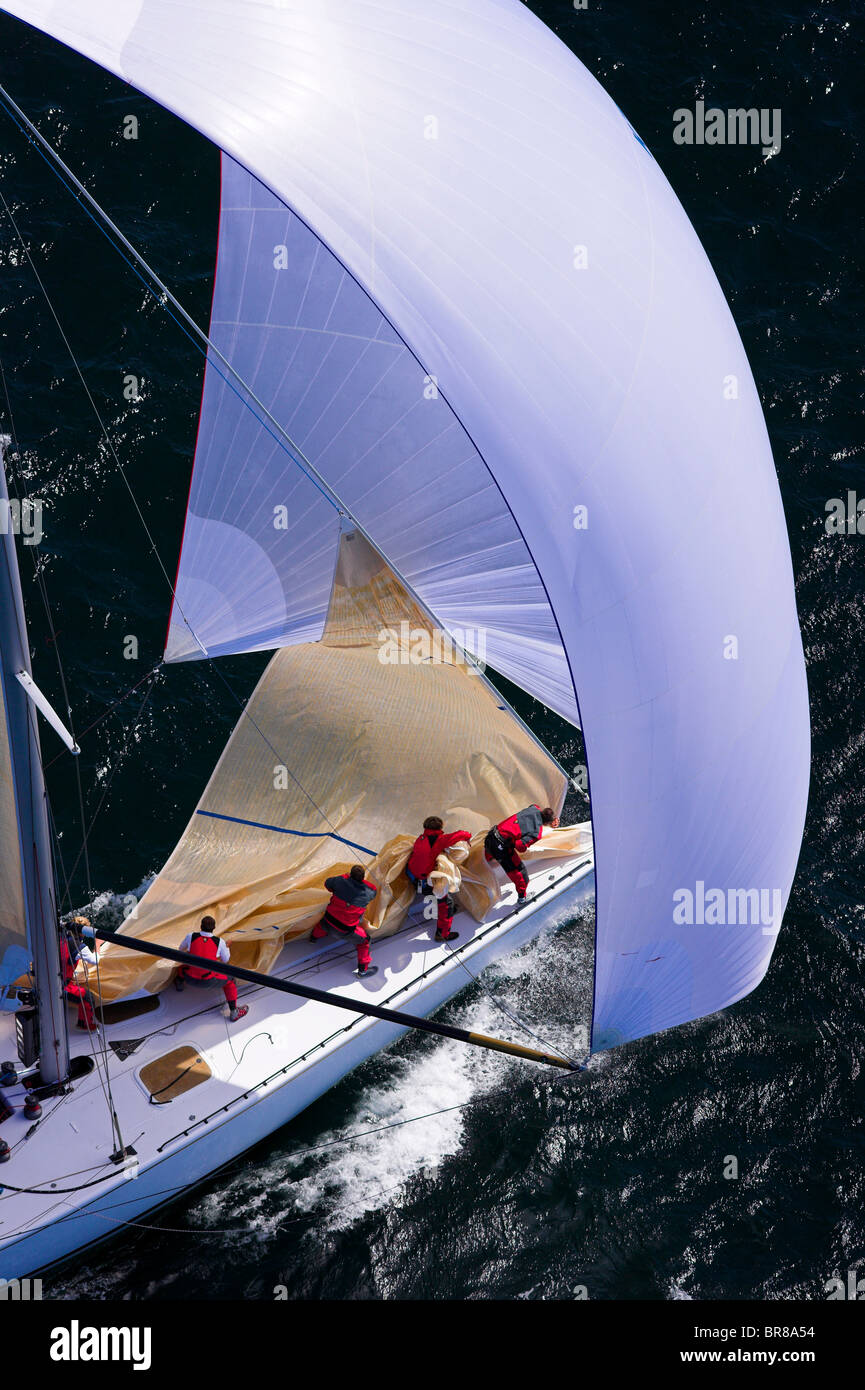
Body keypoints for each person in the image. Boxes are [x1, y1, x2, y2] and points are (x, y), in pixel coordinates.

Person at [406, 816, 472, 943]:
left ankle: (445, 910)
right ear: (440, 827)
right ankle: (442, 934)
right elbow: (460, 834)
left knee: (438, 892)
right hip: (424, 882)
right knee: (447, 903)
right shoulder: (439, 839)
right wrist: (468, 836)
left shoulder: (421, 838)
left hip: (413, 877)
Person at [175, 915, 249, 1022]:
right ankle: (234, 1012)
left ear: (200, 926)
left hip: (189, 977)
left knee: (182, 967)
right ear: (214, 928)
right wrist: (227, 947)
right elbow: (225, 960)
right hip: (207, 981)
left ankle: (179, 984)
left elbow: (181, 949)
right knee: (230, 980)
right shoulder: (220, 942)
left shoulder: (191, 936)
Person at [310, 866, 378, 976]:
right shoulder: (369, 891)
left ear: (350, 874)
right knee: (365, 941)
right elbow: (373, 891)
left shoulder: (340, 881)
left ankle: (313, 938)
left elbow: (327, 884)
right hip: (346, 931)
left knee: (322, 926)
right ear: (363, 878)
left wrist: (344, 878)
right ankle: (363, 971)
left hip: (328, 920)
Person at [484, 805, 559, 904]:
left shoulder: (534, 808)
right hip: (500, 848)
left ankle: (485, 862)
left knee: (491, 852)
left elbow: (536, 809)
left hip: (490, 837)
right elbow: (519, 846)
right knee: (522, 876)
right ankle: (522, 899)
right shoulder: (537, 833)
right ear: (548, 823)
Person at [60, 915, 99, 1031]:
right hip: (61, 985)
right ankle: (85, 1024)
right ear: (83, 932)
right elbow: (94, 961)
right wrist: (97, 945)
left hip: (48, 979)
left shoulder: (59, 938)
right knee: (87, 997)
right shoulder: (79, 946)